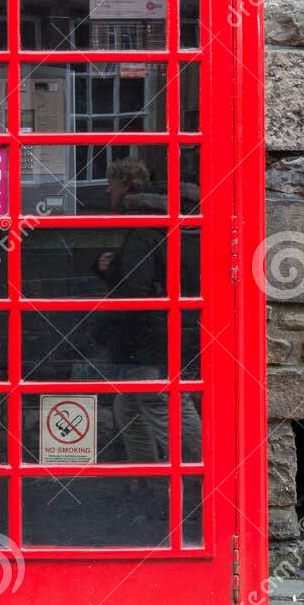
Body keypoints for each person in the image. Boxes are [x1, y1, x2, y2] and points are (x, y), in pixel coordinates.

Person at [91, 157, 201, 466]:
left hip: (146, 337)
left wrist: (111, 272)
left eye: (110, 184)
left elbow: (135, 288)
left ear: (125, 186)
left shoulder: (142, 228)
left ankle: (196, 476)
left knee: (161, 404)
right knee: (128, 409)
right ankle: (146, 481)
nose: (106, 191)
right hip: (179, 327)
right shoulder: (181, 219)